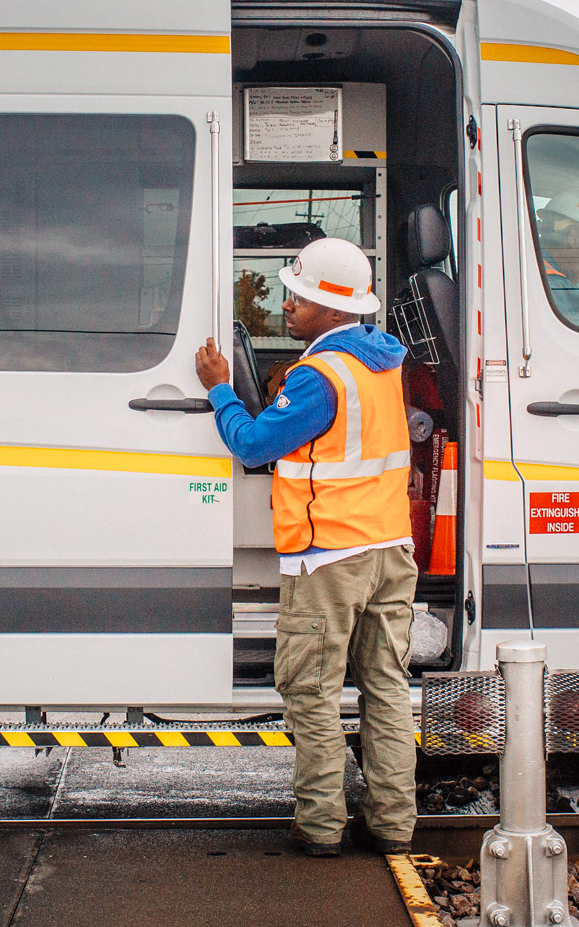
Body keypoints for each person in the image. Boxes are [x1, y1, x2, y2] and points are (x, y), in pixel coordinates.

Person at [193, 237, 417, 858]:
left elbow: (254, 444)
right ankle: (395, 826)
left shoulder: (319, 376)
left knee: (312, 691)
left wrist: (219, 389)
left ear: (331, 309)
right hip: (389, 549)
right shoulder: (382, 362)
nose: (288, 305)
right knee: (386, 688)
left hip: (330, 559)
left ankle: (320, 827)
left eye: (301, 296)